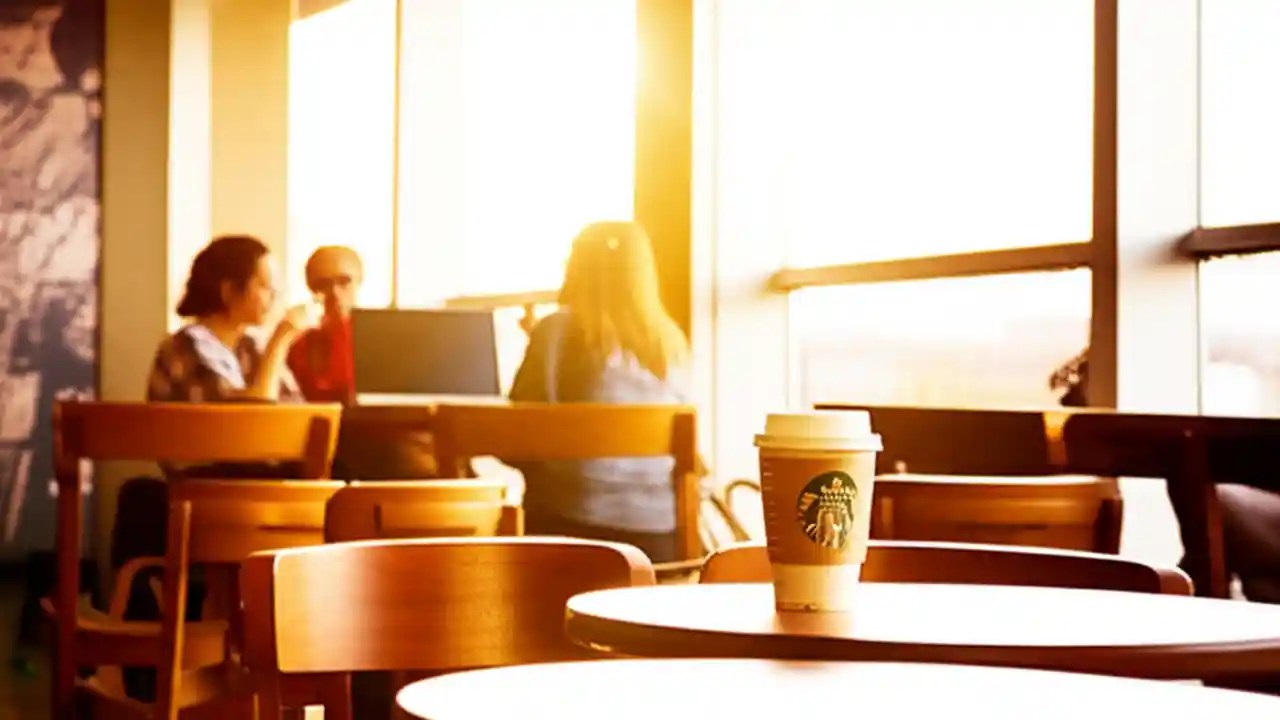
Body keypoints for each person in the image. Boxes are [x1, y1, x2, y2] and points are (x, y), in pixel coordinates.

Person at [508, 221, 691, 563]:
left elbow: (520, 435)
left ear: (576, 267)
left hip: (569, 526)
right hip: (658, 537)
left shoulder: (556, 331)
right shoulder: (671, 342)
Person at [287, 246, 362, 404]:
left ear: (360, 280)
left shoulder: (383, 338)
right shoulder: (296, 343)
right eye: (323, 284)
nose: (334, 292)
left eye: (344, 281)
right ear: (310, 288)